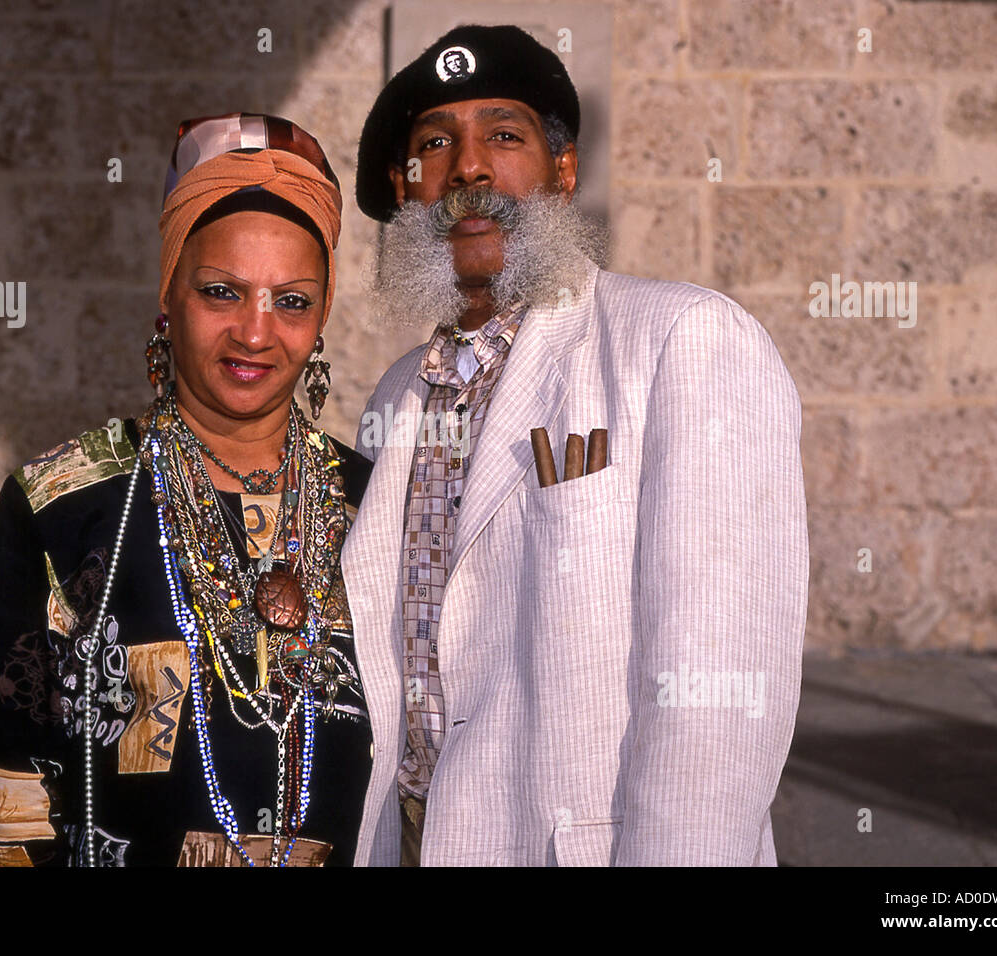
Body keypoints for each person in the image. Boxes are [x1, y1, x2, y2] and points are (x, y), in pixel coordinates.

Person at [341, 25, 809, 866]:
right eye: (436, 144)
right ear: (401, 186)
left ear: (564, 171)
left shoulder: (680, 341)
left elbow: (716, 697)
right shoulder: (397, 395)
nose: (469, 168)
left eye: (504, 136)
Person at [0, 113, 373, 867]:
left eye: (292, 300)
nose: (255, 333)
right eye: (222, 292)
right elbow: (1, 794)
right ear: (169, 294)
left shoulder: (373, 502)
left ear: (323, 316)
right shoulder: (62, 505)